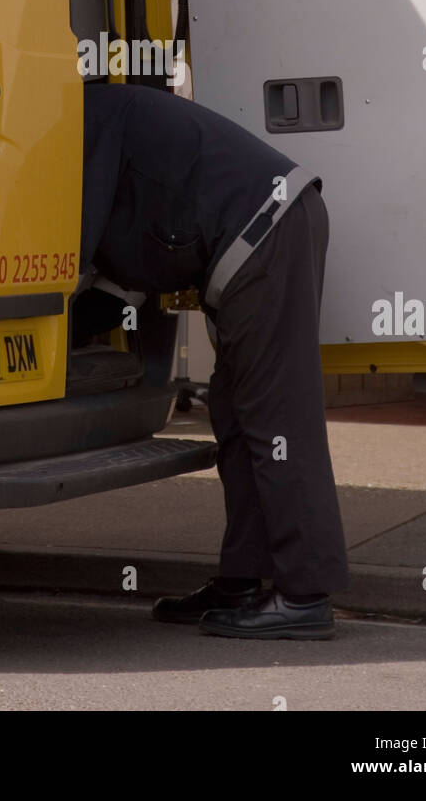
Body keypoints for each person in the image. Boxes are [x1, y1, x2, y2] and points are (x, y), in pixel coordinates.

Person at [80, 80, 349, 640]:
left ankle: (304, 596)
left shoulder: (88, 119)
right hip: (268, 229)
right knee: (236, 414)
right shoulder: (105, 120)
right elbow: (121, 261)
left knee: (277, 418)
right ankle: (241, 581)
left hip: (267, 234)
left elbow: (78, 240)